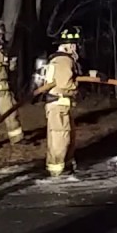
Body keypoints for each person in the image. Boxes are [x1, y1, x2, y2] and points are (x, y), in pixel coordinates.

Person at [41, 26, 81, 177]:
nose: (76, 47)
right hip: (59, 104)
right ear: (69, 45)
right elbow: (66, 84)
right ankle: (58, 171)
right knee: (60, 137)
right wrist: (76, 87)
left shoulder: (58, 59)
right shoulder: (64, 60)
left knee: (63, 136)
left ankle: (62, 165)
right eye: (75, 44)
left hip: (59, 105)